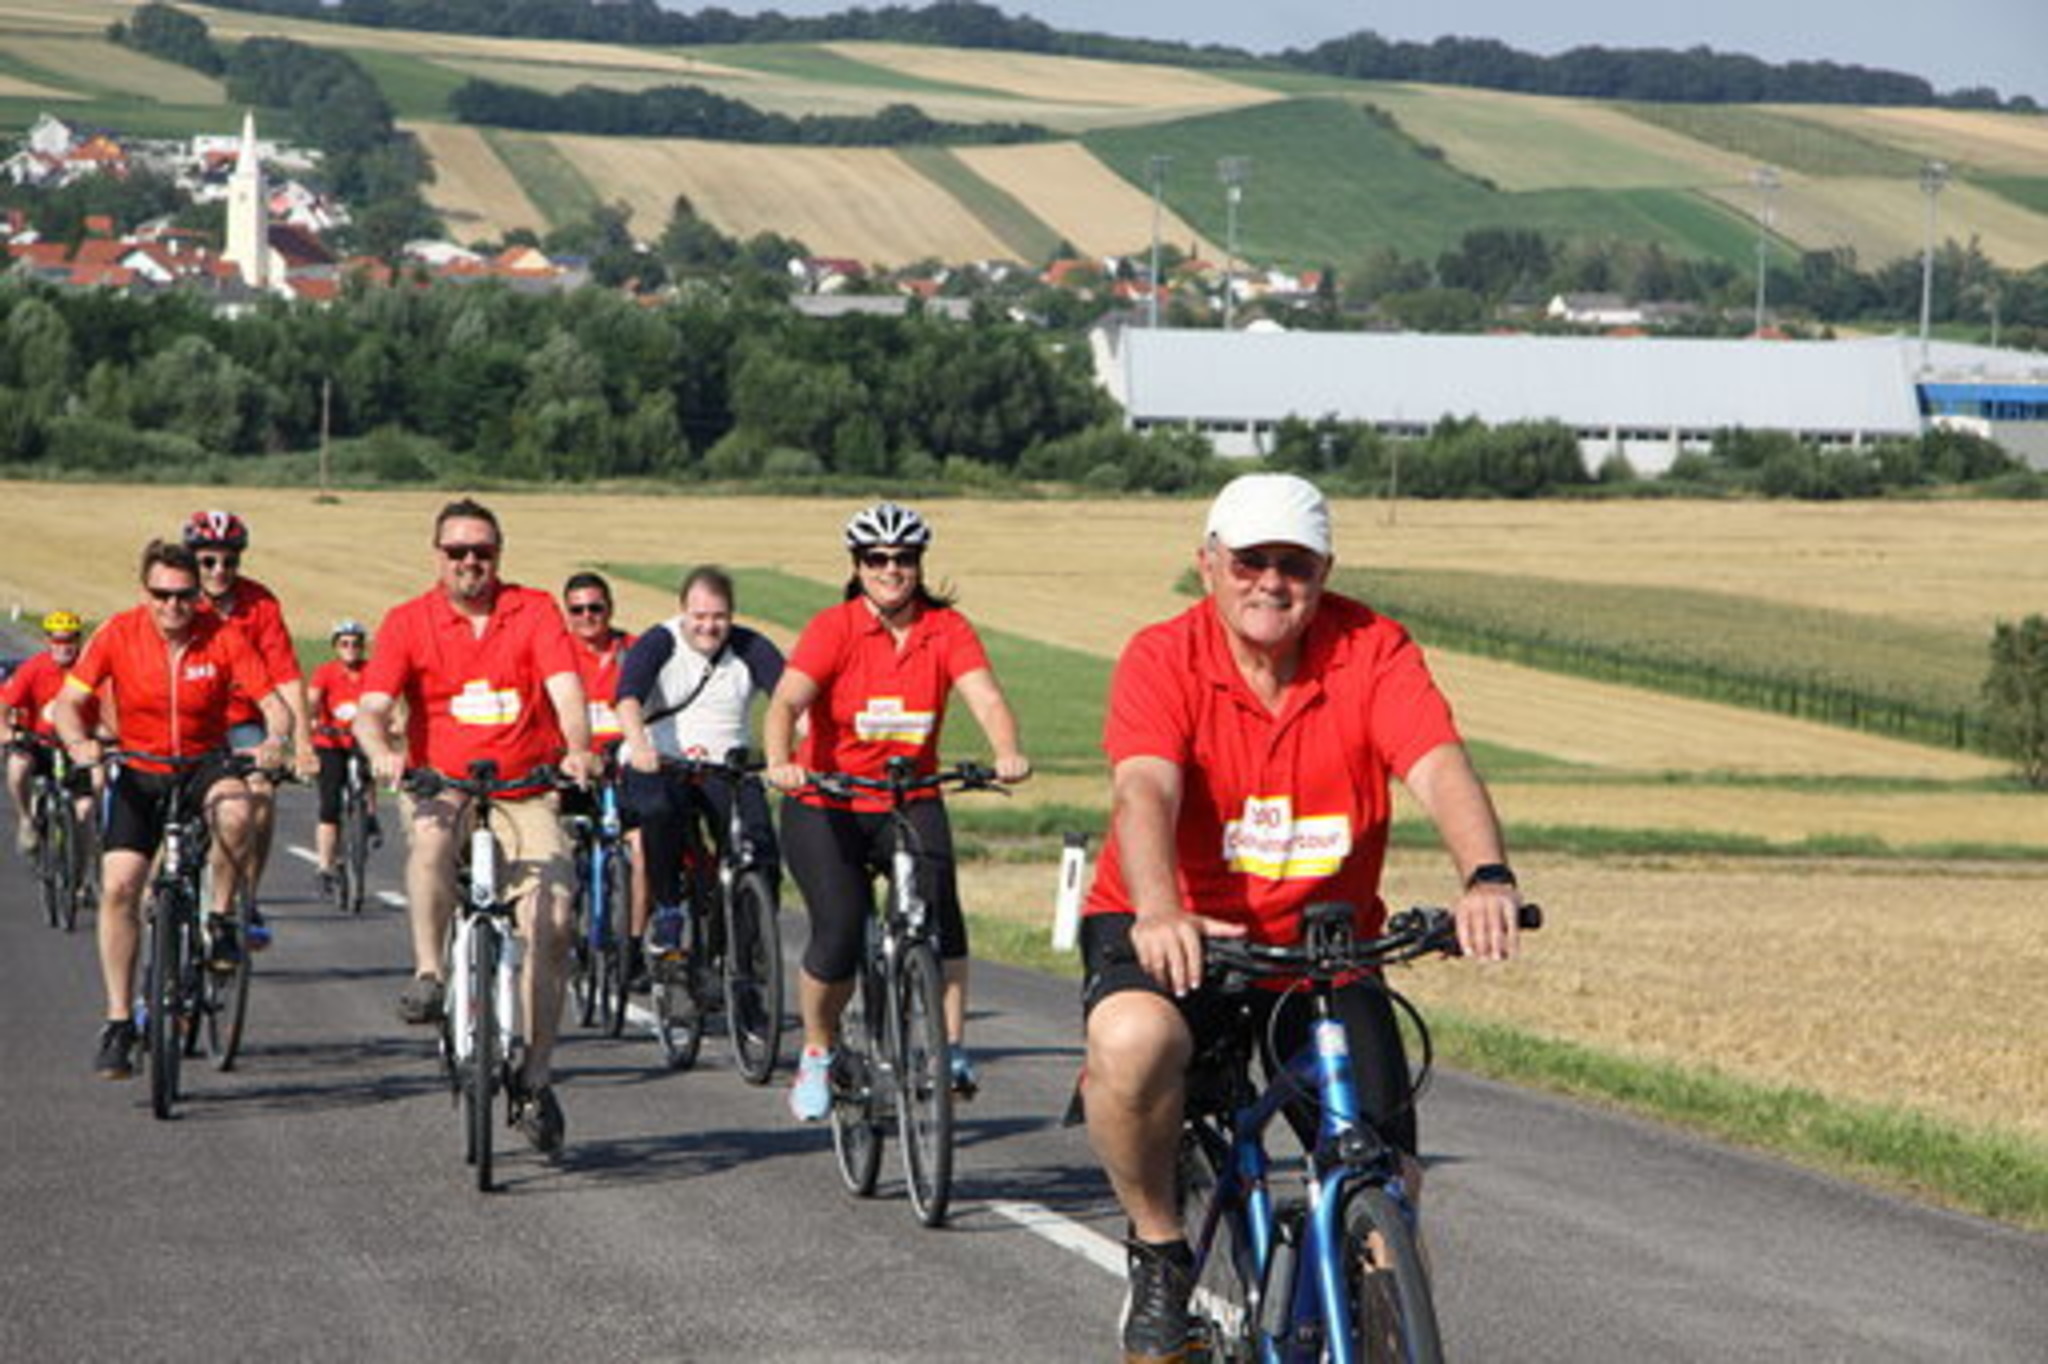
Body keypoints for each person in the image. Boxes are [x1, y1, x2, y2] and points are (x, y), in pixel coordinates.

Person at [1077, 473, 1529, 1363]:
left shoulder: (1370, 647)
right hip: (1183, 931)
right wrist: (1162, 910)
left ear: (1325, 572)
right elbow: (1145, 788)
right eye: (1250, 560)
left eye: (1296, 564)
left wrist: (1486, 876)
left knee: (1387, 1187)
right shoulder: (1163, 657)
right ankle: (1161, 1250)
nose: (1271, 582)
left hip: (1324, 948)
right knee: (1131, 1043)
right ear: (1209, 564)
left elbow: (1438, 764)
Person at [763, 501, 1030, 1123]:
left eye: (904, 559)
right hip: (826, 802)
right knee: (838, 928)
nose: (892, 569)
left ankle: (952, 1048)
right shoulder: (834, 627)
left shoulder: (947, 630)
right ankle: (819, 1051)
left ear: (919, 565)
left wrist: (1007, 750)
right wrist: (781, 760)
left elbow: (986, 697)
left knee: (942, 910)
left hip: (908, 796)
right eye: (878, 559)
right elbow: (784, 703)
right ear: (858, 566)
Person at [352, 498, 596, 1157]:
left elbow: (567, 693)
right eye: (457, 551)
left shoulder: (535, 610)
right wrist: (380, 748)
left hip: (525, 789)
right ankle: (431, 973)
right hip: (443, 785)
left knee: (554, 919)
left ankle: (536, 1079)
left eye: (481, 551)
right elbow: (371, 708)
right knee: (431, 840)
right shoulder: (409, 621)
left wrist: (577, 747)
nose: (469, 563)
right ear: (438, 556)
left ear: (498, 556)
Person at [52, 541, 290, 1080]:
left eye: (184, 596)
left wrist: (275, 738)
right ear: (146, 592)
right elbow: (70, 702)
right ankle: (118, 1022)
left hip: (203, 763)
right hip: (139, 767)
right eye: (162, 595)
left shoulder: (222, 636)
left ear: (196, 595)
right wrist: (77, 743)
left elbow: (272, 703)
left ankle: (220, 918)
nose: (173, 607)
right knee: (119, 887)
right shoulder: (117, 633)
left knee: (238, 811)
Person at [616, 566, 784, 992]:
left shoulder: (751, 648)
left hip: (725, 767)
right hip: (664, 763)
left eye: (719, 617)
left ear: (732, 615)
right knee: (659, 812)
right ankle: (669, 910)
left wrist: (799, 753)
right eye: (700, 616)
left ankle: (744, 948)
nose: (709, 626)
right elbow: (628, 698)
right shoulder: (661, 642)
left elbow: (789, 699)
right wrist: (639, 747)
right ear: (683, 612)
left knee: (760, 847)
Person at [183, 510, 319, 948]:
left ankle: (246, 898)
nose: (219, 571)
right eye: (208, 561)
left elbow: (285, 676)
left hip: (243, 721)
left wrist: (301, 743)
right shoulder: (178, 601)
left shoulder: (259, 603)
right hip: (188, 720)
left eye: (229, 561)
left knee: (260, 797)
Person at [2, 610, 93, 857]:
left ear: (79, 640)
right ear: (47, 641)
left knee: (87, 808)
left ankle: (81, 875)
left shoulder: (89, 668)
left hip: (75, 746)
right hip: (38, 742)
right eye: (57, 640)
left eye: (70, 640)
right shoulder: (34, 668)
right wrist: (7, 732)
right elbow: (6, 704)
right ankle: (26, 819)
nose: (64, 647)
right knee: (17, 767)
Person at [307, 619, 379, 896]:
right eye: (345, 644)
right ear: (336, 647)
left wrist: (394, 724)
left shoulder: (372, 672)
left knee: (371, 769)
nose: (351, 649)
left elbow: (388, 700)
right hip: (331, 740)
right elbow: (313, 701)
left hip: (362, 739)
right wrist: (313, 720)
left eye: (356, 644)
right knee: (329, 806)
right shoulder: (325, 673)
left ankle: (369, 815)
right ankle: (325, 864)